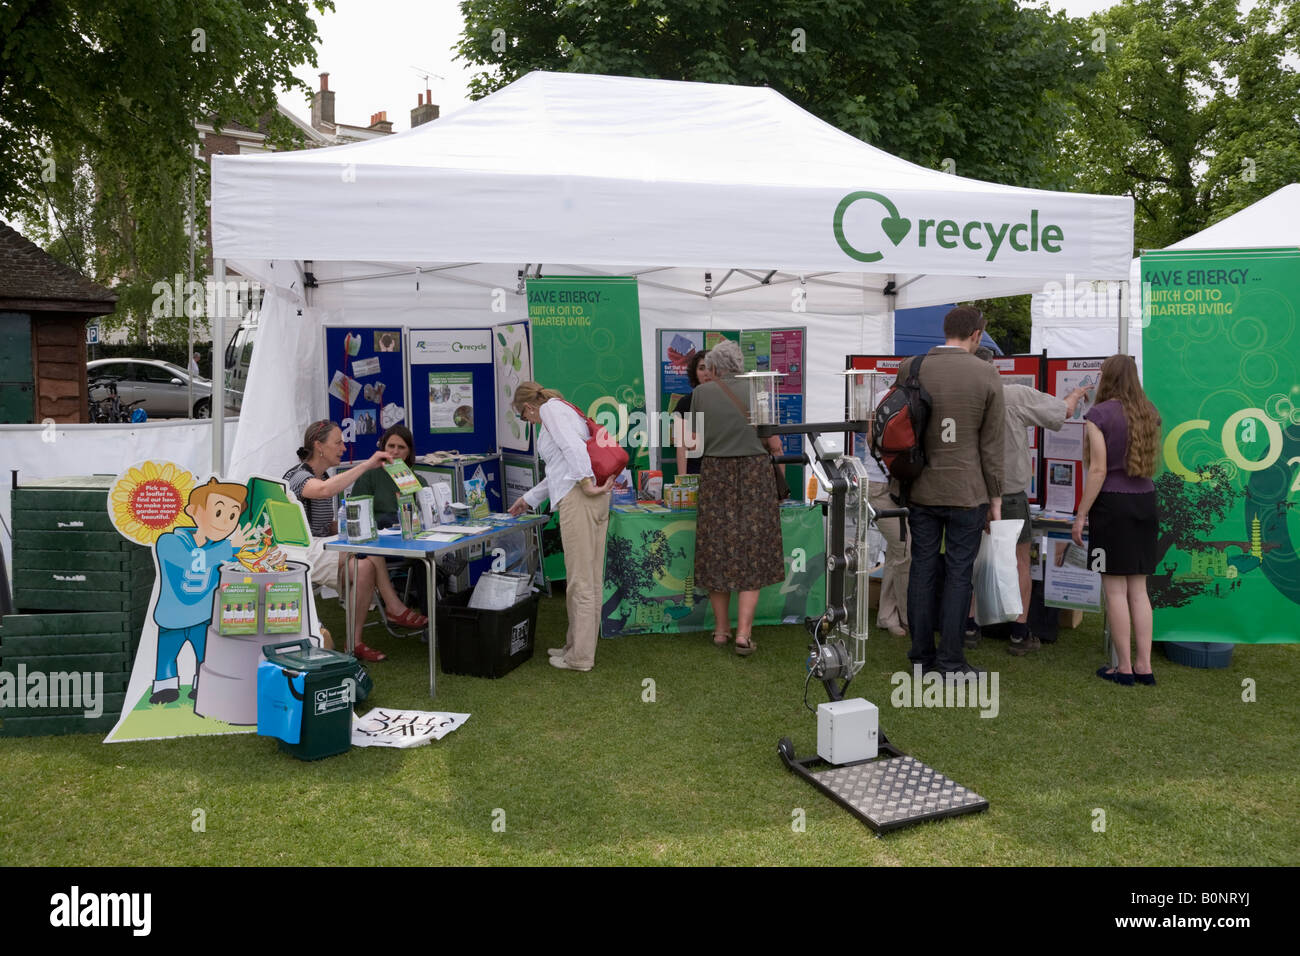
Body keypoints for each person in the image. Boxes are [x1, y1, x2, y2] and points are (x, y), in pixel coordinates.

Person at [901, 307, 1005, 676]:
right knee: (960, 575)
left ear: (946, 330)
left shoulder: (911, 367)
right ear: (977, 334)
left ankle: (920, 657)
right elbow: (992, 446)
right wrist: (996, 500)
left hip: (921, 488)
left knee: (922, 569)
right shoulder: (987, 373)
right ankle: (950, 661)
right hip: (968, 491)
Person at [975, 347, 1090, 654]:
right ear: (994, 369)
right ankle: (1019, 634)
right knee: (1019, 562)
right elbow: (1063, 411)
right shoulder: (1012, 395)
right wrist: (1075, 395)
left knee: (973, 560)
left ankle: (970, 629)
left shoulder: (960, 398)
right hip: (1009, 493)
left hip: (970, 493)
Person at [507, 382, 615, 672]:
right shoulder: (564, 409)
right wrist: (528, 499)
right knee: (587, 578)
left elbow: (572, 449)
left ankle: (580, 656)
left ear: (529, 407)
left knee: (581, 581)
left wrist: (585, 484)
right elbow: (559, 470)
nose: (527, 421)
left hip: (580, 500)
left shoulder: (552, 411)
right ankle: (576, 646)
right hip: (586, 498)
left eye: (523, 416)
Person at [283, 420, 409, 660]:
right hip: (298, 554)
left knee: (362, 567)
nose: (343, 447)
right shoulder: (298, 476)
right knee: (364, 544)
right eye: (338, 443)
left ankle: (354, 643)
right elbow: (323, 491)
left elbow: (325, 525)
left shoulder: (324, 476)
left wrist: (351, 525)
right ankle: (393, 606)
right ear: (319, 446)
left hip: (319, 549)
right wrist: (366, 465)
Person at [690, 340, 785, 655]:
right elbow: (774, 443)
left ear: (714, 367)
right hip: (755, 476)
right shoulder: (758, 392)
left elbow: (695, 442)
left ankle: (720, 630)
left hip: (716, 475)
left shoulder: (700, 394)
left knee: (717, 550)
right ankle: (744, 633)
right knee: (752, 553)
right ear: (740, 364)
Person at [1072, 354, 1161, 686]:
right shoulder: (1149, 412)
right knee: (1139, 590)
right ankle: (1144, 665)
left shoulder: (1098, 415)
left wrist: (1081, 515)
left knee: (1114, 590)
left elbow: (1098, 470)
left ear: (1106, 377)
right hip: (1146, 503)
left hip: (1110, 508)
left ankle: (1123, 668)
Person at [150, 478, 259, 704]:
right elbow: (193, 562)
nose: (225, 523)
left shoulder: (220, 548)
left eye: (232, 516)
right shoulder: (169, 541)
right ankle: (165, 686)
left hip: (205, 616)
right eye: (218, 513)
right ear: (193, 511)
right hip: (172, 616)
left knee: (206, 655)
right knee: (167, 655)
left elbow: (241, 563)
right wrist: (231, 546)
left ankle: (203, 686)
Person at [341, 423, 434, 658]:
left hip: (410, 541)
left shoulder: (418, 480)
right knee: (383, 550)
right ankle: (395, 607)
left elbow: (427, 515)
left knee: (427, 561)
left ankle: (430, 622)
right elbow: (358, 513)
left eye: (400, 447)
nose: (394, 451)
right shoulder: (370, 476)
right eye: (390, 446)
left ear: (409, 452)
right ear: (382, 448)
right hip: (379, 543)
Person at [672, 349, 713, 477]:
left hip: (723, 469)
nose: (706, 372)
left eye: (710, 367)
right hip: (696, 471)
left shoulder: (728, 401)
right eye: (702, 368)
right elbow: (682, 446)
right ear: (695, 373)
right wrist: (682, 480)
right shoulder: (685, 403)